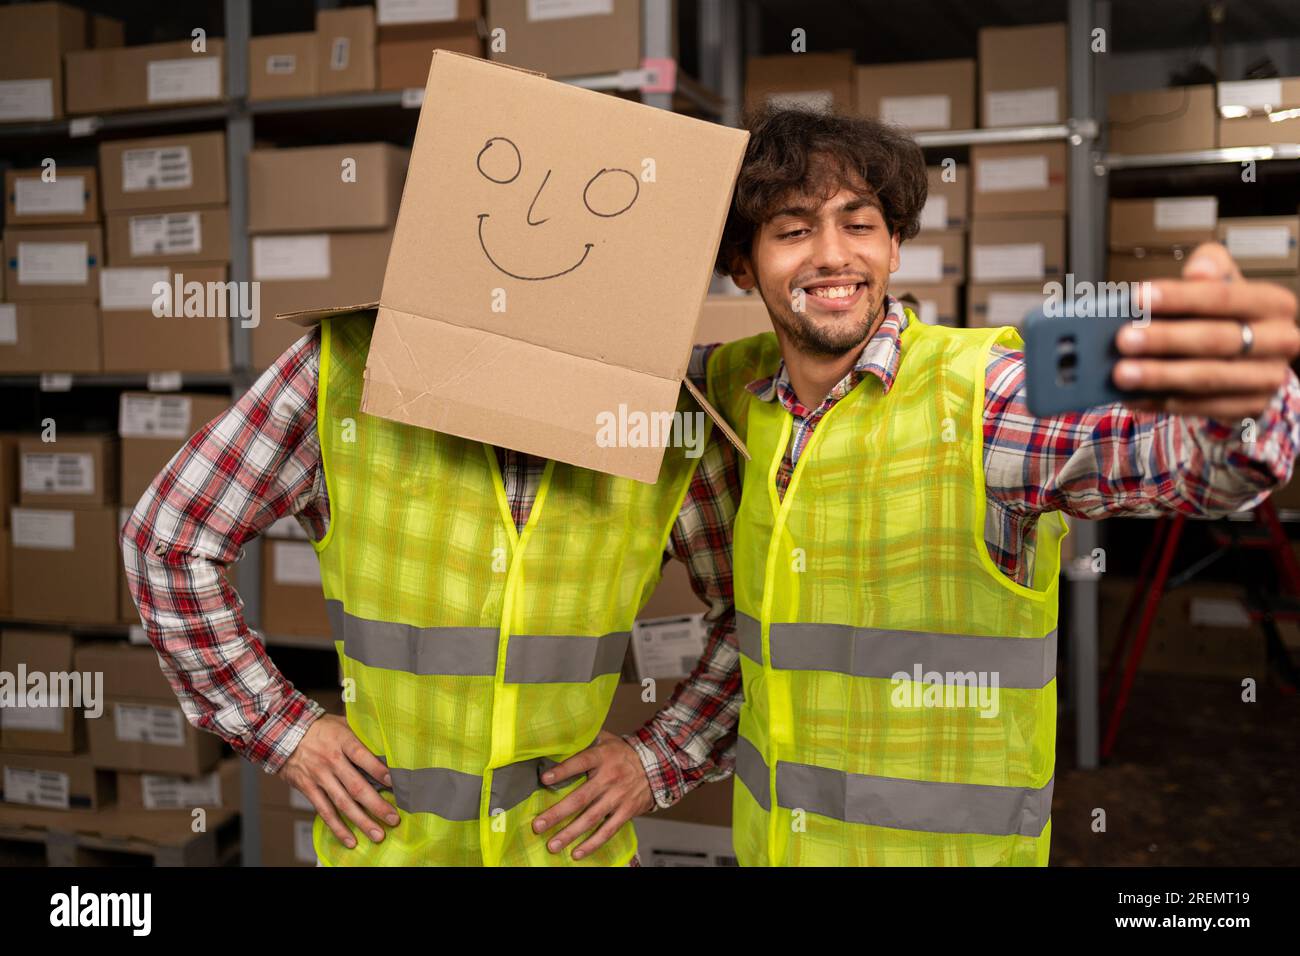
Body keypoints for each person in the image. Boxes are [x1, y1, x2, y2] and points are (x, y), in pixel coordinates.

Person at [533, 106, 1300, 865]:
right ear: (742, 265)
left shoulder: (985, 395)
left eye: (859, 224)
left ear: (895, 245)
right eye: (793, 230)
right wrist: (658, 758)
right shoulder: (730, 397)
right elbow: (757, 627)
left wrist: (1240, 405)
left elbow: (1161, 456)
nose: (832, 256)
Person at [120, 310, 742, 867]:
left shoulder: (665, 412)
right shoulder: (346, 371)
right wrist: (283, 732)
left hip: (566, 854)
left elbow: (759, 618)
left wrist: (660, 759)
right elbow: (168, 542)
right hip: (393, 853)